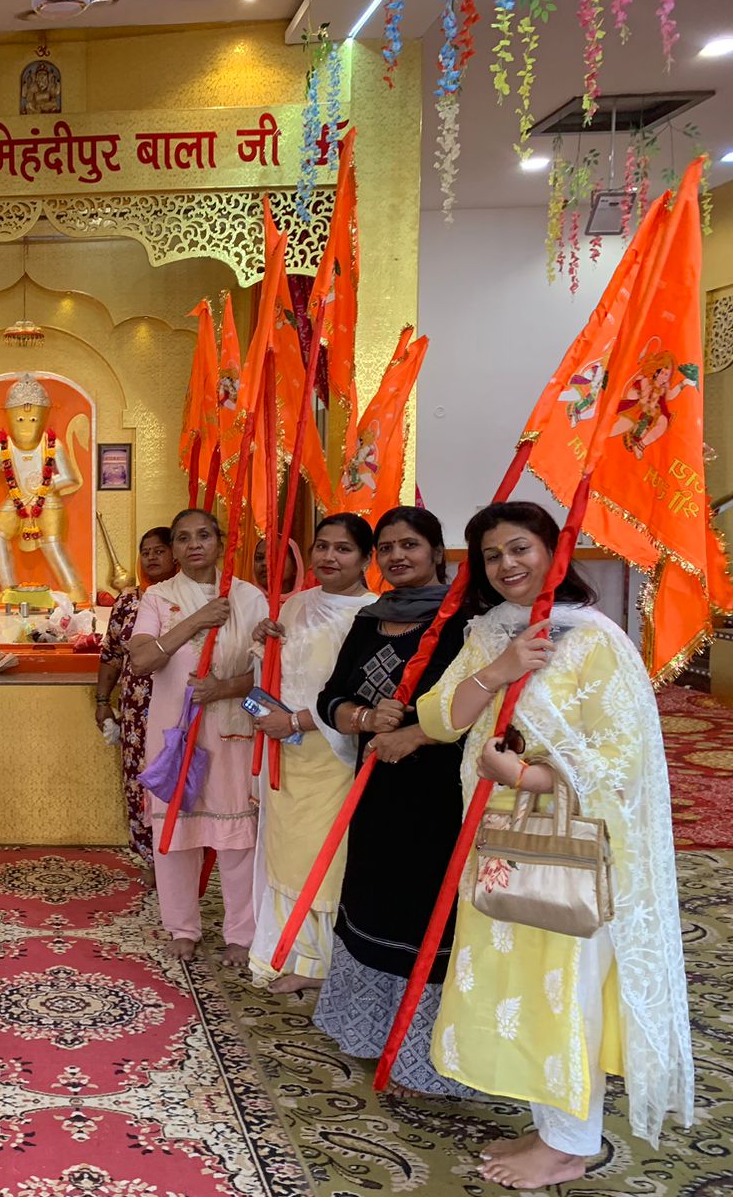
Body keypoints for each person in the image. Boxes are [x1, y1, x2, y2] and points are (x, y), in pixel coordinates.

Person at [415, 502, 693, 1189]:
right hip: (497, 842)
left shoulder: (593, 639)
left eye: (521, 548)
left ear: (554, 551)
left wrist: (525, 774)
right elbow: (442, 719)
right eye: (491, 555)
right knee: (518, 988)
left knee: (565, 987)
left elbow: (620, 759)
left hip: (570, 846)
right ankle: (553, 1126)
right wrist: (500, 668)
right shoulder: (491, 633)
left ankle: (571, 1146)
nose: (507, 565)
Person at [311, 507, 474, 1098]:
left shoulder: (466, 621)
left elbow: (479, 705)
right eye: (386, 548)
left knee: (426, 913)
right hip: (376, 783)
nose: (397, 556)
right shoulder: (370, 619)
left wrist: (416, 727)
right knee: (373, 898)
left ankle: (424, 1055)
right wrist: (360, 715)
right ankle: (371, 1032)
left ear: (437, 551)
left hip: (438, 794)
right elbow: (333, 694)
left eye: (410, 545)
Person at [128, 508, 268, 964]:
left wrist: (224, 688)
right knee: (175, 833)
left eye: (203, 535)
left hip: (233, 728)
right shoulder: (158, 597)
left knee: (237, 838)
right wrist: (196, 621)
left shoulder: (250, 598)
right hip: (175, 733)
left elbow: (265, 673)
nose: (194, 545)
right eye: (183, 538)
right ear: (174, 549)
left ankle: (241, 935)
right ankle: (182, 928)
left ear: (220, 541)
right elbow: (143, 660)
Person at [246, 514, 377, 994]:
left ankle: (321, 962)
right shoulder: (294, 605)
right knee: (285, 855)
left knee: (324, 857)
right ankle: (285, 950)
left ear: (366, 558)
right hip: (286, 753)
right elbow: (276, 676)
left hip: (335, 754)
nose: (328, 557)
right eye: (322, 546)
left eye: (343, 549)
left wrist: (297, 721)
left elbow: (360, 694)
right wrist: (262, 647)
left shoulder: (372, 613)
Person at [95, 526, 177, 868]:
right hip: (135, 710)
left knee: (174, 778)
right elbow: (112, 654)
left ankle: (177, 857)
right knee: (137, 780)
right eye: (146, 552)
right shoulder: (128, 601)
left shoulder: (187, 599)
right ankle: (149, 857)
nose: (152, 557)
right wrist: (102, 702)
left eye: (160, 550)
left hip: (177, 707)